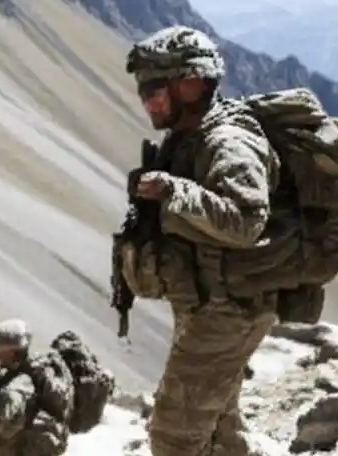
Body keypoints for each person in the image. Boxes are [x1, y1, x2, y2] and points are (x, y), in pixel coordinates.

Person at [122, 25, 280, 456]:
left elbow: (247, 220)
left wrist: (176, 192)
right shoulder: (185, 137)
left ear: (191, 84)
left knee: (173, 437)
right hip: (206, 304)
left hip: (228, 311)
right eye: (143, 91)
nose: (147, 101)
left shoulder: (229, 143)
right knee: (219, 429)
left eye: (155, 87)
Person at [0, 319, 73, 456]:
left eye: (0, 351)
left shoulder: (17, 387)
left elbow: (3, 422)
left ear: (12, 352)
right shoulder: (20, 370)